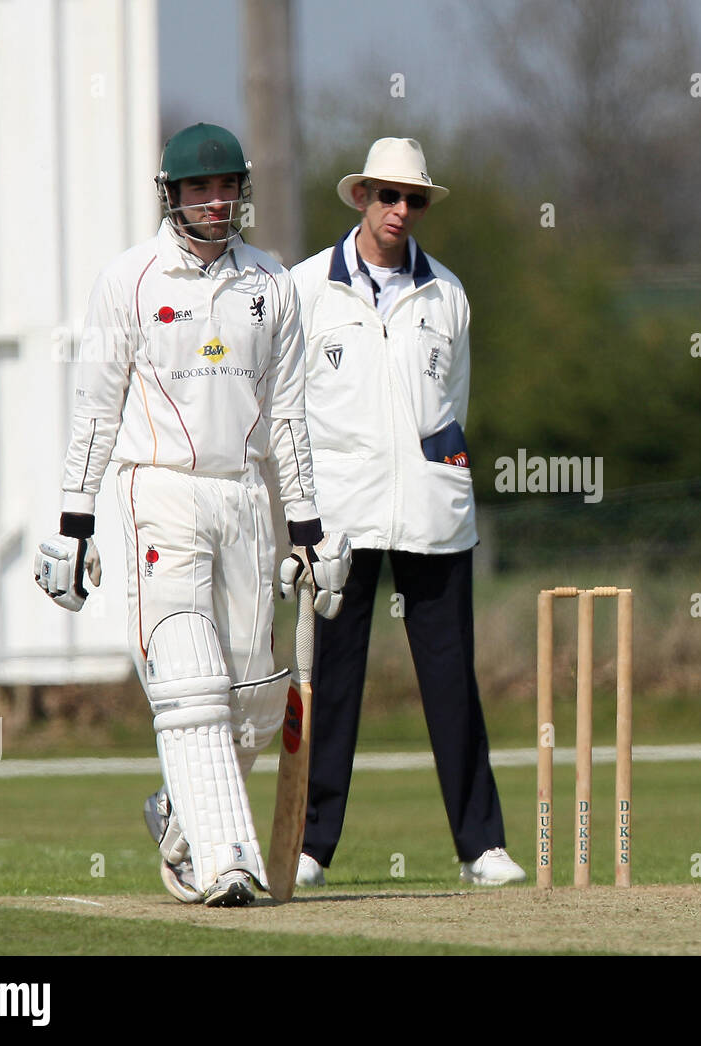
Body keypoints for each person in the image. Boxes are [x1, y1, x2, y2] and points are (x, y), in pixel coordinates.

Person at [34, 123, 351, 907]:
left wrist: (307, 531)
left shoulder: (270, 284)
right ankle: (223, 862)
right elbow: (96, 409)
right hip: (158, 491)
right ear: (170, 195)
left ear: (242, 191)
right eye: (197, 190)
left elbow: (287, 419)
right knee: (191, 676)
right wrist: (76, 526)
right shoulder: (130, 280)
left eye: (226, 188)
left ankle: (181, 819)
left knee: (253, 696)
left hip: (243, 498)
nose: (214, 202)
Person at [290, 137, 524, 887]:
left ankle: (480, 846)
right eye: (387, 195)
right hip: (337, 517)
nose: (399, 210)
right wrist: (295, 514)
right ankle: (310, 844)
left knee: (453, 682)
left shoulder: (447, 293)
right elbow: (285, 410)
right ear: (360, 197)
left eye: (413, 199)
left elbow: (450, 409)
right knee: (331, 683)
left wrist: (440, 473)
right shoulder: (303, 290)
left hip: (430, 509)